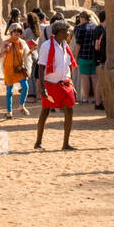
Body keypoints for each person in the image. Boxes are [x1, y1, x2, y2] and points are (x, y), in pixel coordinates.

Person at [34, 18, 77, 151]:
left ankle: (65, 143)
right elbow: (41, 67)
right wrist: (42, 87)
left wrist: (72, 84)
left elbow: (68, 65)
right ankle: (38, 142)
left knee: (69, 110)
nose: (69, 33)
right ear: (59, 32)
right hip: (51, 84)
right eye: (66, 31)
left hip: (65, 83)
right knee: (45, 111)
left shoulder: (65, 45)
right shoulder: (47, 46)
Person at [0, 23, 32, 119]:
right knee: (9, 92)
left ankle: (21, 106)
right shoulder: (6, 43)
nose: (16, 33)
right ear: (11, 32)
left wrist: (32, 50)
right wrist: (4, 51)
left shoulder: (22, 43)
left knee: (25, 87)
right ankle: (9, 112)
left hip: (19, 69)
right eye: (14, 31)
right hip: (9, 70)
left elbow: (27, 55)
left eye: (18, 31)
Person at [72, 11, 100, 103]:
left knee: (85, 78)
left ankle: (86, 98)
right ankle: (97, 99)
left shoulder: (80, 28)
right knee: (94, 78)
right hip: (94, 56)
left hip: (83, 56)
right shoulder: (95, 27)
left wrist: (75, 56)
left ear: (82, 18)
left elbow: (78, 44)